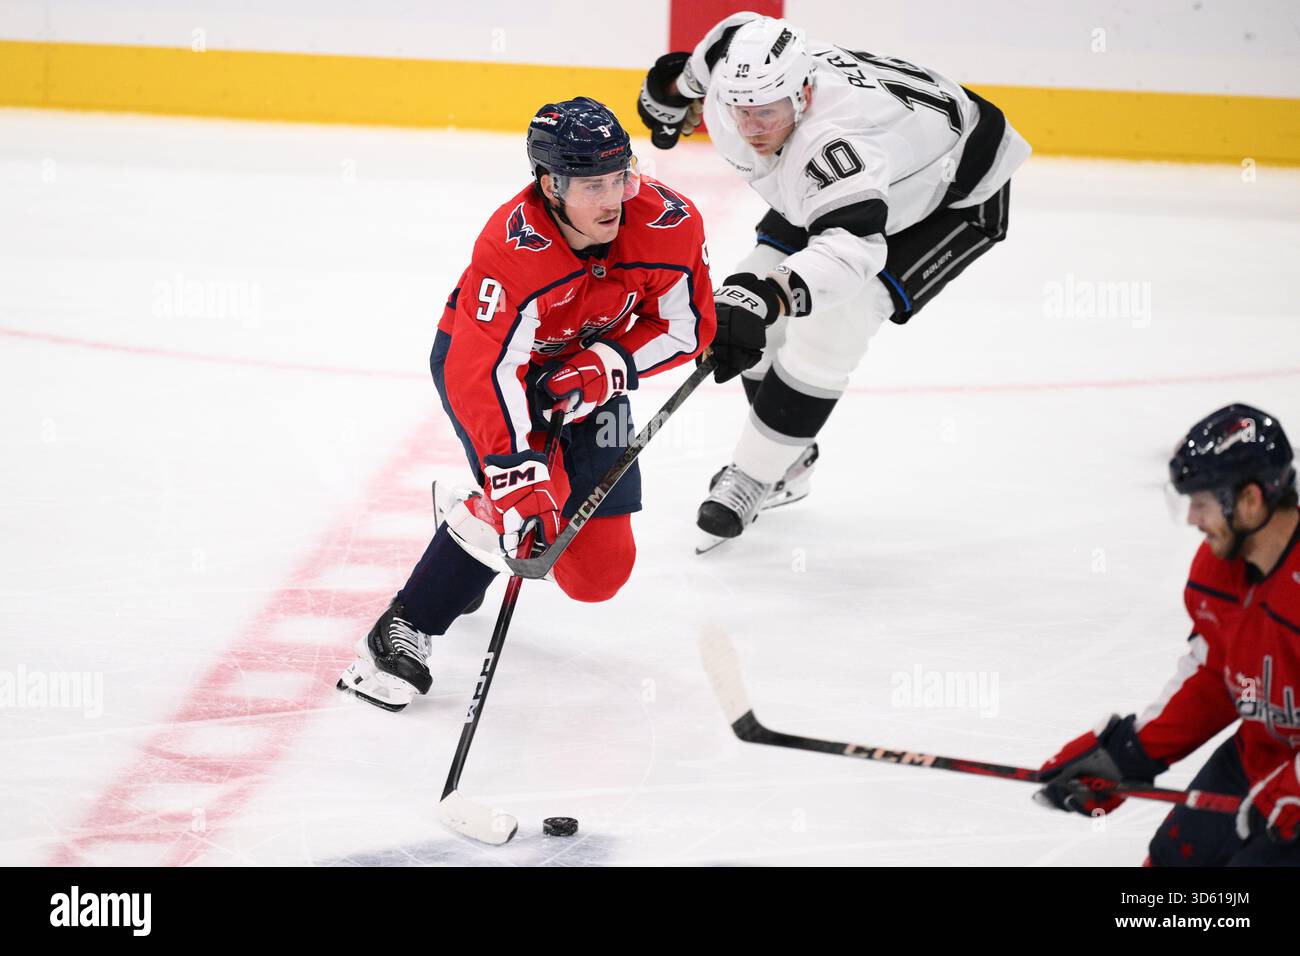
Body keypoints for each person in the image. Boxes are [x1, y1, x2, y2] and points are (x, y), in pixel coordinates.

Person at [337, 97, 716, 711]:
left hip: (594, 382)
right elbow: (480, 369)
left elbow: (686, 329)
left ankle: (469, 516)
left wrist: (605, 368)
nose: (612, 198)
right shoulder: (512, 246)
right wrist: (517, 476)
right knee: (522, 507)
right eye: (592, 185)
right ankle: (400, 631)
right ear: (551, 185)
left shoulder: (669, 222)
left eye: (619, 175)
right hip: (494, 374)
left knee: (597, 577)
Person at [637, 12, 1030, 550]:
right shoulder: (739, 72)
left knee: (833, 323)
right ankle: (787, 455)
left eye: (765, 112)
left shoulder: (834, 146)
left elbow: (850, 250)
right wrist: (675, 88)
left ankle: (755, 475)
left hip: (954, 193)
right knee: (747, 303)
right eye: (739, 109)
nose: (750, 127)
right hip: (858, 176)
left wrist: (772, 295)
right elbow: (733, 31)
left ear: (802, 92)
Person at [1036, 404, 1300, 866]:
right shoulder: (1216, 569)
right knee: (1173, 861)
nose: (1192, 519)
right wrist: (1131, 755)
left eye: (1201, 502)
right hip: (1257, 756)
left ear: (1251, 501)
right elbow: (1216, 674)